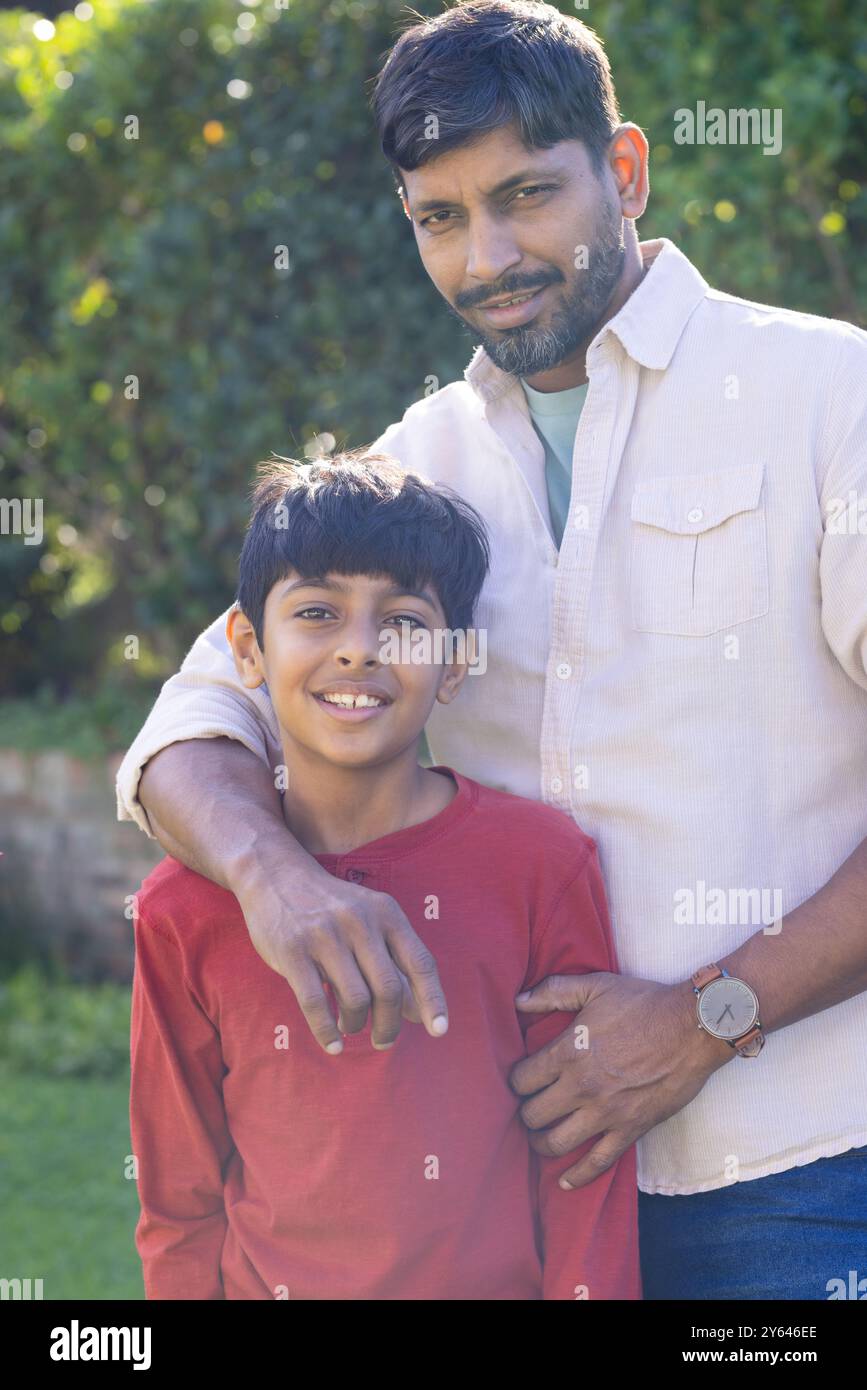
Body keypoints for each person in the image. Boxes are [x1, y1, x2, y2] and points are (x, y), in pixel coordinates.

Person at [117, 1, 867, 1299]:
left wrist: (710, 1014)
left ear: (623, 170)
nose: (489, 256)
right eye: (441, 217)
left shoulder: (827, 398)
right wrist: (276, 881)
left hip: (797, 1174)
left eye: (527, 195)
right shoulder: (419, 467)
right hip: (519, 1198)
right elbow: (195, 721)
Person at [129, 451, 641, 1300]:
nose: (359, 650)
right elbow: (178, 1200)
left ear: (455, 662)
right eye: (317, 612)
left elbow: (581, 1165)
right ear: (248, 649)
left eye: (402, 621)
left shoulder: (541, 865)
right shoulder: (181, 908)